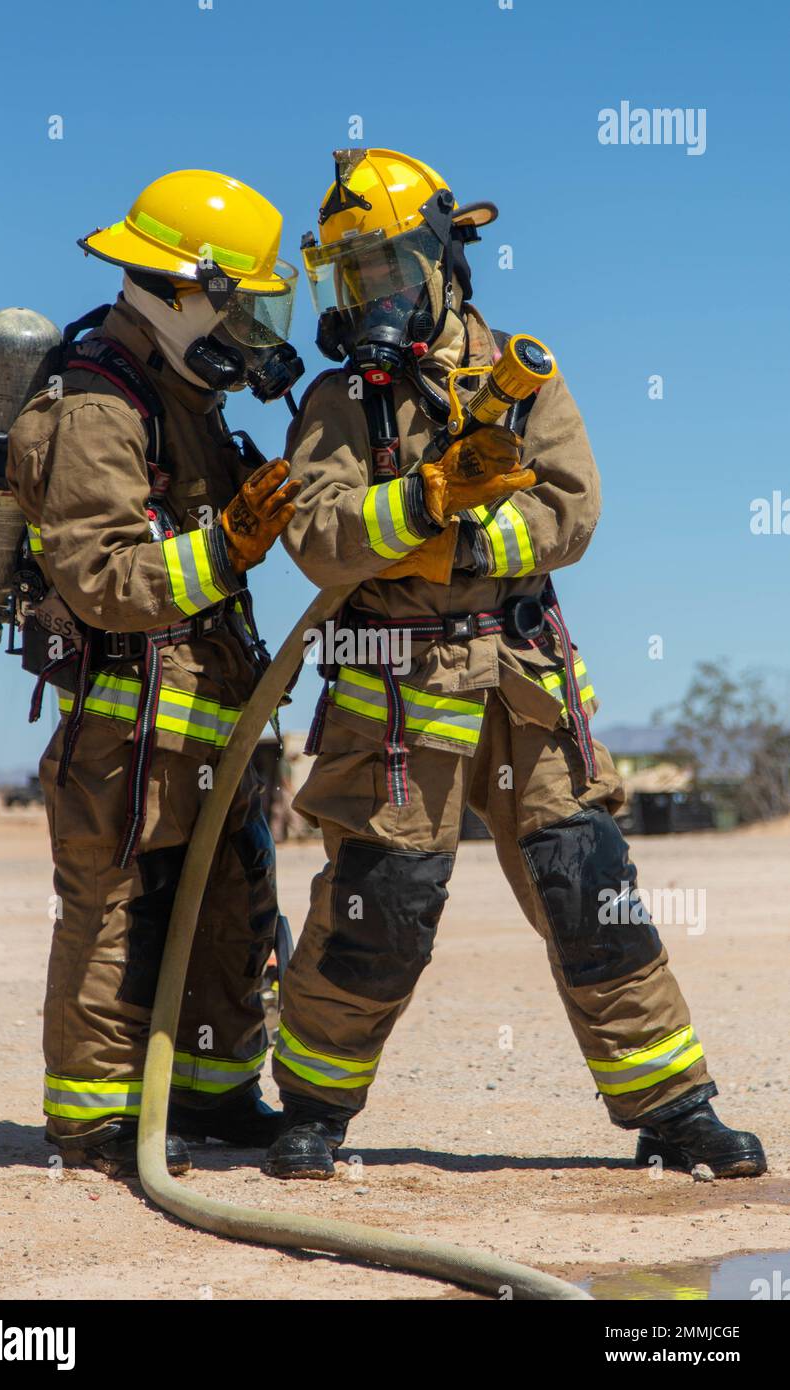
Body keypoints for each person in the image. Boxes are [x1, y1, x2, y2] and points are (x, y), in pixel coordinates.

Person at [263, 148, 766, 1182]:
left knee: (590, 888)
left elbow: (570, 508)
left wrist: (462, 547)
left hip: (526, 681)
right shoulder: (337, 402)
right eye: (354, 278)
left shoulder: (522, 374)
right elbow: (317, 537)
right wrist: (425, 506)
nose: (375, 299)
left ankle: (674, 1107)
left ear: (444, 261)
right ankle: (310, 1107)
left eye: (391, 272)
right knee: (382, 900)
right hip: (397, 692)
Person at [7, 169, 302, 1178]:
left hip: (204, 718)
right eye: (239, 301)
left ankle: (216, 1097)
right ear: (184, 288)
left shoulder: (183, 394)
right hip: (124, 731)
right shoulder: (96, 401)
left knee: (229, 907)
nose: (250, 326)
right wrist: (226, 545)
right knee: (116, 918)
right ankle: (93, 1126)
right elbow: (98, 579)